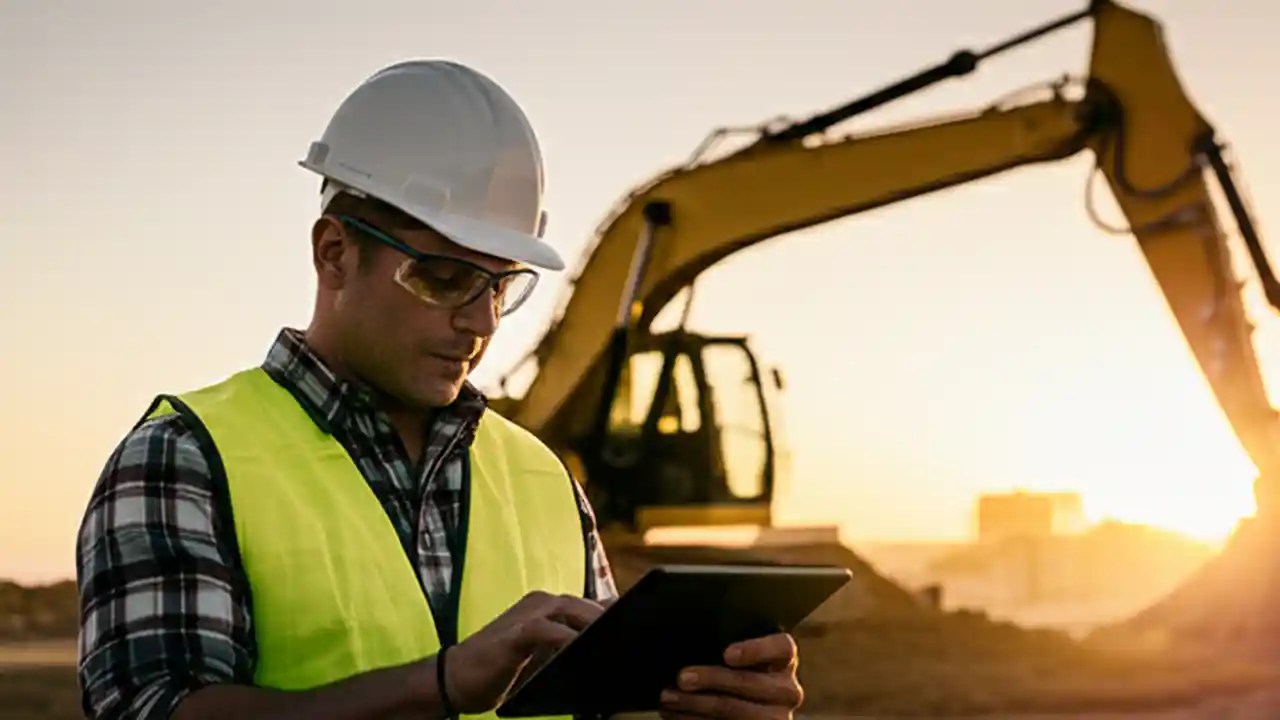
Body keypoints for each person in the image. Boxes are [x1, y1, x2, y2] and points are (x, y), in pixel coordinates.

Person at [74, 59, 805, 720]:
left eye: (502, 286)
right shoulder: (187, 457)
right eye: (445, 278)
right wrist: (443, 684)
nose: (481, 320)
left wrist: (710, 704)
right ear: (335, 253)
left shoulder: (544, 479)